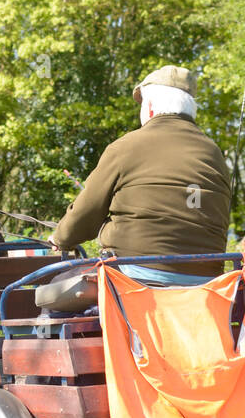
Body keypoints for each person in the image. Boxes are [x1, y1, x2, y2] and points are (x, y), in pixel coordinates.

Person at [48, 65, 232, 285]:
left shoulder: (125, 147)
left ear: (151, 108)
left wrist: (61, 238)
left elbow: (86, 213)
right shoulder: (214, 154)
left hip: (135, 274)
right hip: (207, 280)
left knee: (54, 291)